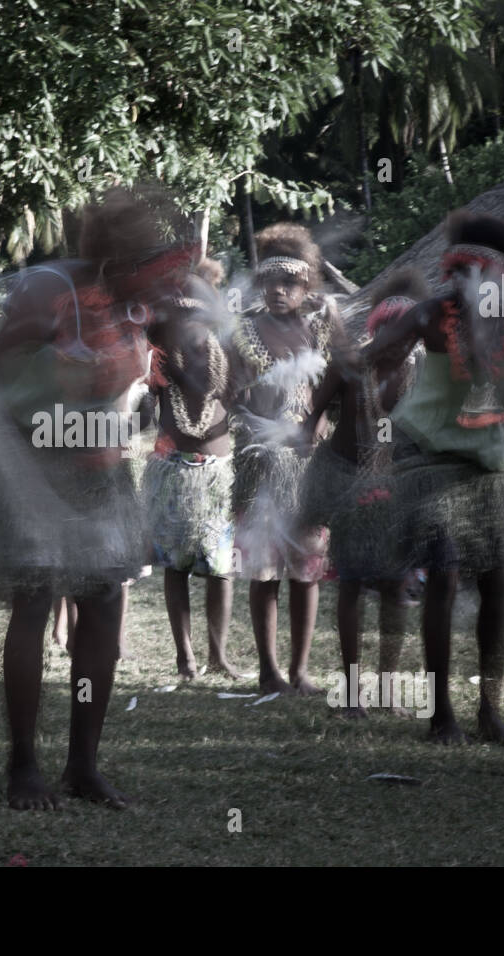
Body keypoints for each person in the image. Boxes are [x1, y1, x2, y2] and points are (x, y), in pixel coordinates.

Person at [0, 186, 194, 809]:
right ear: (119, 261)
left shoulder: (138, 302)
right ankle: (23, 766)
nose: (166, 288)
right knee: (34, 603)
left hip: (99, 470)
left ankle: (83, 765)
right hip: (33, 468)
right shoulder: (44, 292)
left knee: (104, 603)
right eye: (158, 274)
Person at [365, 210, 504, 743]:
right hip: (431, 456)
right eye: (459, 272)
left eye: (478, 273)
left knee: (496, 584)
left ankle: (490, 713)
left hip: (493, 462)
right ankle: (441, 714)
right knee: (443, 577)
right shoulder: (429, 315)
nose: (465, 284)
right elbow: (370, 358)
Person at [300, 270, 429, 715]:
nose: (402, 343)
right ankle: (353, 689)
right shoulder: (350, 366)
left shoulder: (422, 375)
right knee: (353, 582)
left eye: (410, 334)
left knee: (394, 587)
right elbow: (310, 418)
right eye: (394, 334)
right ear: (377, 331)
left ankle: (389, 689)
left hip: (396, 486)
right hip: (345, 480)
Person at [227, 222, 342, 695]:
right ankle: (269, 671)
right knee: (264, 568)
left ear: (306, 285)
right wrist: (258, 428)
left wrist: (315, 429)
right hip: (259, 464)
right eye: (271, 282)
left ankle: (299, 670)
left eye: (290, 282)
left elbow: (338, 387)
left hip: (309, 463)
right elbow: (228, 393)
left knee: (307, 566)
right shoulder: (243, 331)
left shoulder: (320, 331)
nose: (279, 291)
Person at [143, 274, 241, 679]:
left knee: (221, 569)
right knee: (176, 567)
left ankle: (218, 656)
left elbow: (228, 397)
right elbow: (144, 415)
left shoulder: (225, 355)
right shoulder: (160, 359)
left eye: (196, 316)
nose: (189, 325)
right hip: (172, 472)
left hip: (216, 476)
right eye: (180, 318)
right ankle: (185, 659)